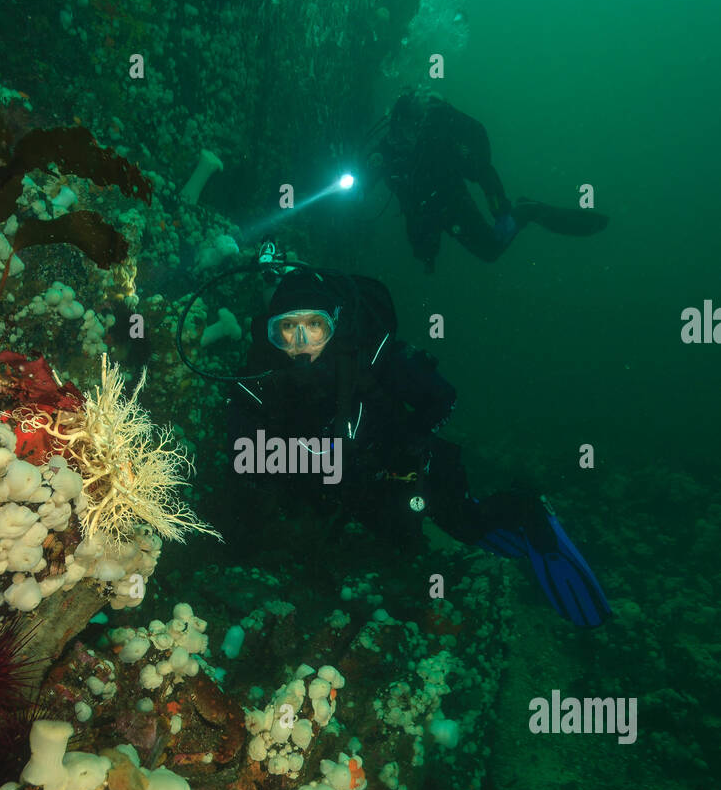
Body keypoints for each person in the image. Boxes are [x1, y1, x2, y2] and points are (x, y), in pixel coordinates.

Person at [224, 257, 611, 627]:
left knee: (460, 525)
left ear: (336, 322)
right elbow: (244, 456)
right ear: (271, 332)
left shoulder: (375, 358)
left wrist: (410, 440)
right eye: (287, 328)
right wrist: (286, 464)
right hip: (344, 487)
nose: (301, 341)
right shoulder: (260, 376)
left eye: (315, 325)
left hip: (399, 472)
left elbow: (444, 396)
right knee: (378, 541)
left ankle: (526, 509)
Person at [370, 90, 609, 274]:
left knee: (490, 250)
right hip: (420, 213)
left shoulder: (438, 143)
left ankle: (527, 211)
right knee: (423, 253)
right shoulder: (386, 151)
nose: (405, 137)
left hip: (452, 206)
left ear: (420, 126)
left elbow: (482, 170)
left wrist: (500, 205)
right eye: (400, 130)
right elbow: (362, 178)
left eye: (411, 129)